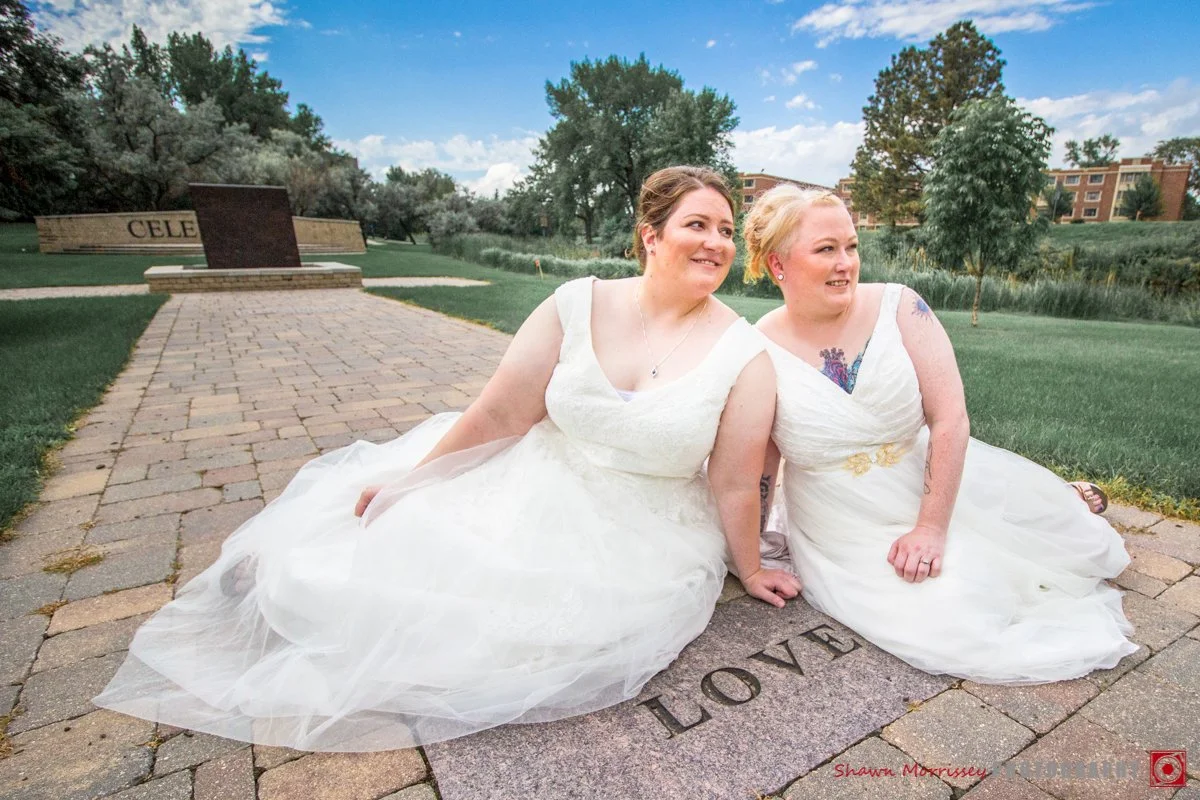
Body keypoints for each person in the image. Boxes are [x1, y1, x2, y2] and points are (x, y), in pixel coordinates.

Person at [94, 166, 801, 751]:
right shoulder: (575, 304)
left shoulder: (745, 355)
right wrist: (413, 476)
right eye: (697, 225)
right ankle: (287, 585)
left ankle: (322, 617)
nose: (715, 243)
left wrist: (749, 567)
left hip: (644, 525)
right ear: (651, 236)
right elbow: (499, 413)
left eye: (726, 232)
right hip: (538, 475)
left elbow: (735, 481)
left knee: (530, 627)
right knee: (412, 530)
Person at [743, 184, 1137, 684]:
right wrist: (751, 554)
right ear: (778, 265)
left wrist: (930, 527)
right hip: (840, 520)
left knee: (1062, 540)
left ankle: (1069, 497)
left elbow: (951, 417)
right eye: (826, 249)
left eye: (851, 246)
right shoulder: (758, 348)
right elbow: (765, 462)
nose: (846, 263)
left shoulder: (901, 307)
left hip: (930, 484)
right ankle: (1067, 497)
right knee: (958, 609)